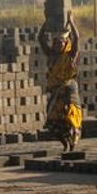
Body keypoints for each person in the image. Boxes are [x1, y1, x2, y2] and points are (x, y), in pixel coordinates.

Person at [37, 10, 83, 152]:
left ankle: (73, 143)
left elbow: (77, 37)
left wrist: (71, 22)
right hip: (55, 92)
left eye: (61, 42)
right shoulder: (51, 55)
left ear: (66, 43)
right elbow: (40, 38)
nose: (58, 45)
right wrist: (46, 22)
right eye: (55, 42)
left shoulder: (70, 55)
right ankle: (64, 144)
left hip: (69, 90)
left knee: (70, 117)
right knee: (52, 122)